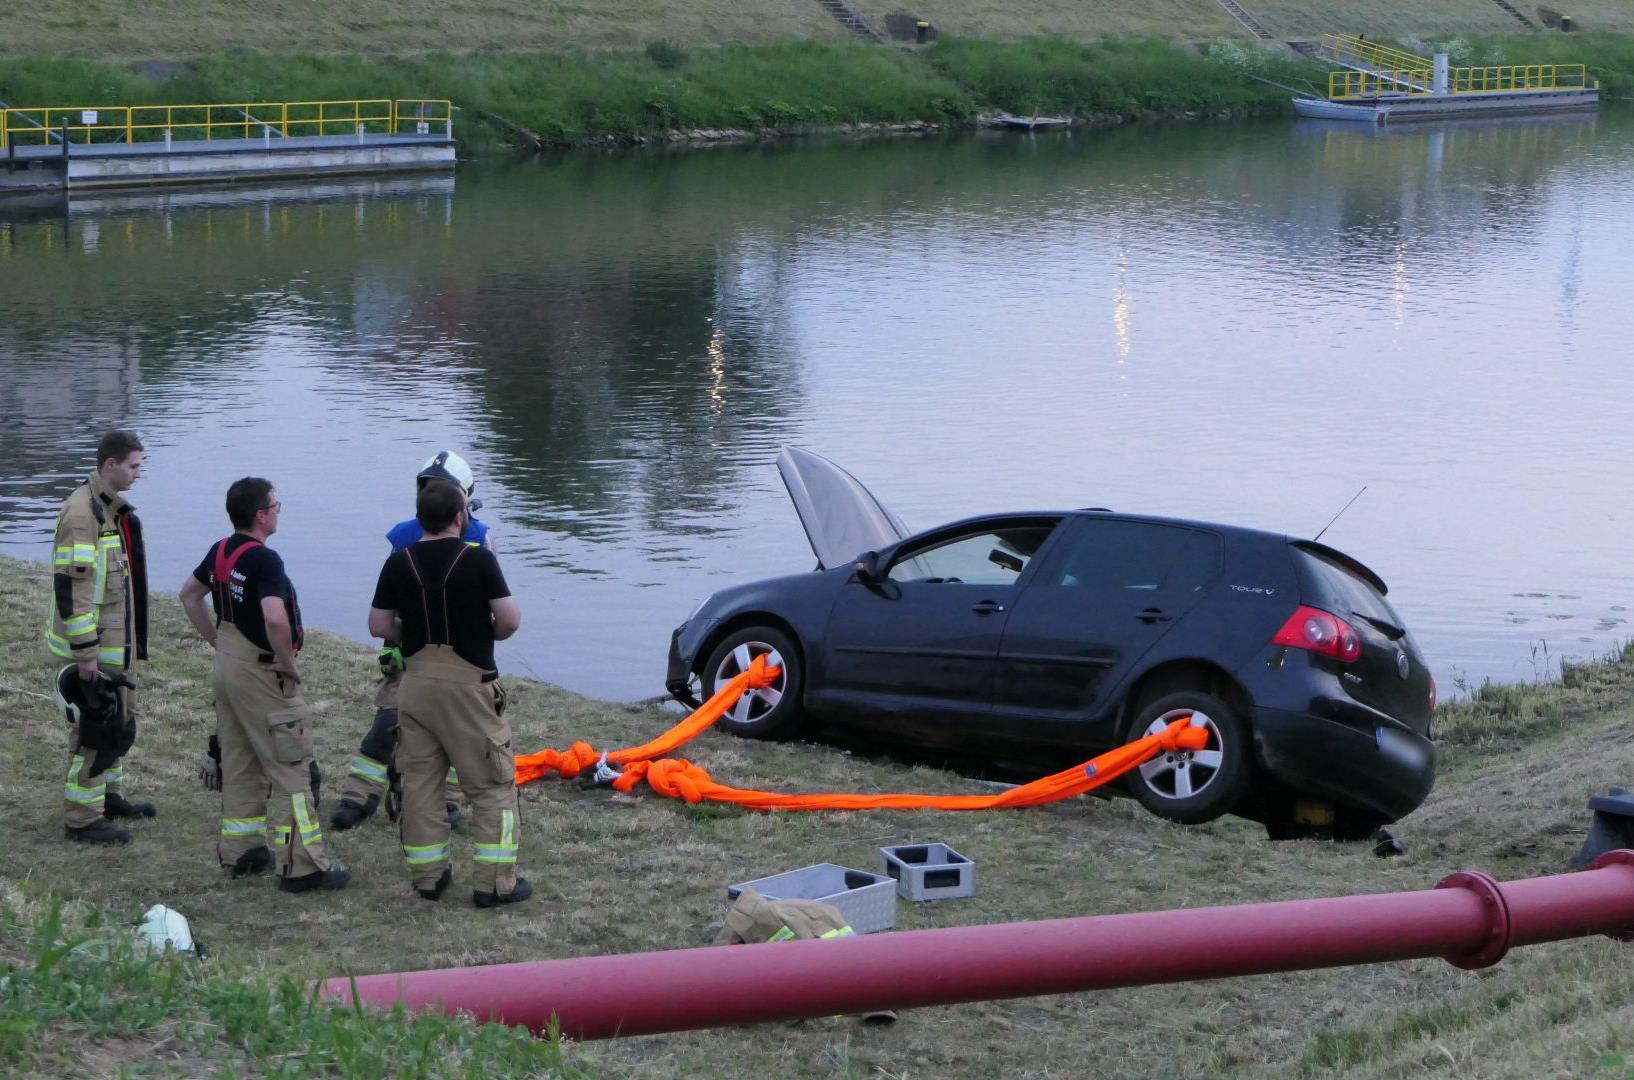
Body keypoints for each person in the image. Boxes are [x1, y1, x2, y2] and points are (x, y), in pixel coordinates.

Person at [179, 478, 348, 892]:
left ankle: (243, 852)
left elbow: (189, 595)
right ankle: (302, 866)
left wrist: (218, 642)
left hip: (228, 665)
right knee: (291, 765)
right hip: (260, 672)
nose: (278, 511)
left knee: (238, 762)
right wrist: (287, 663)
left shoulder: (222, 550)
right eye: (276, 505)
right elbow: (275, 617)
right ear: (261, 514)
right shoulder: (265, 561)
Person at [368, 479, 527, 907]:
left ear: (420, 519)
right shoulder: (478, 561)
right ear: (461, 517)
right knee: (492, 785)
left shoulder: (399, 563)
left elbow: (379, 626)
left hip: (416, 685)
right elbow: (510, 621)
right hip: (468, 685)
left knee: (420, 783)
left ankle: (428, 878)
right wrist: (482, 631)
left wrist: (411, 633)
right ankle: (494, 885)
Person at [330, 451, 492, 832]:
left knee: (458, 734)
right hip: (413, 653)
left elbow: (489, 605)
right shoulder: (404, 537)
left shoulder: (479, 540)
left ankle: (448, 803)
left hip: (461, 657)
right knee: (386, 727)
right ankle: (358, 798)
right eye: (427, 488)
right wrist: (393, 648)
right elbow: (389, 602)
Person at [48, 429, 152, 845]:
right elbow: (71, 590)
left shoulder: (108, 509)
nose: (138, 474)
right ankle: (82, 818)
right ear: (110, 465)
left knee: (118, 720)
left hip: (114, 645)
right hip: (93, 649)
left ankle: (108, 797)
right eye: (133, 466)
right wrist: (86, 655)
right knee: (94, 728)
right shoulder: (81, 514)